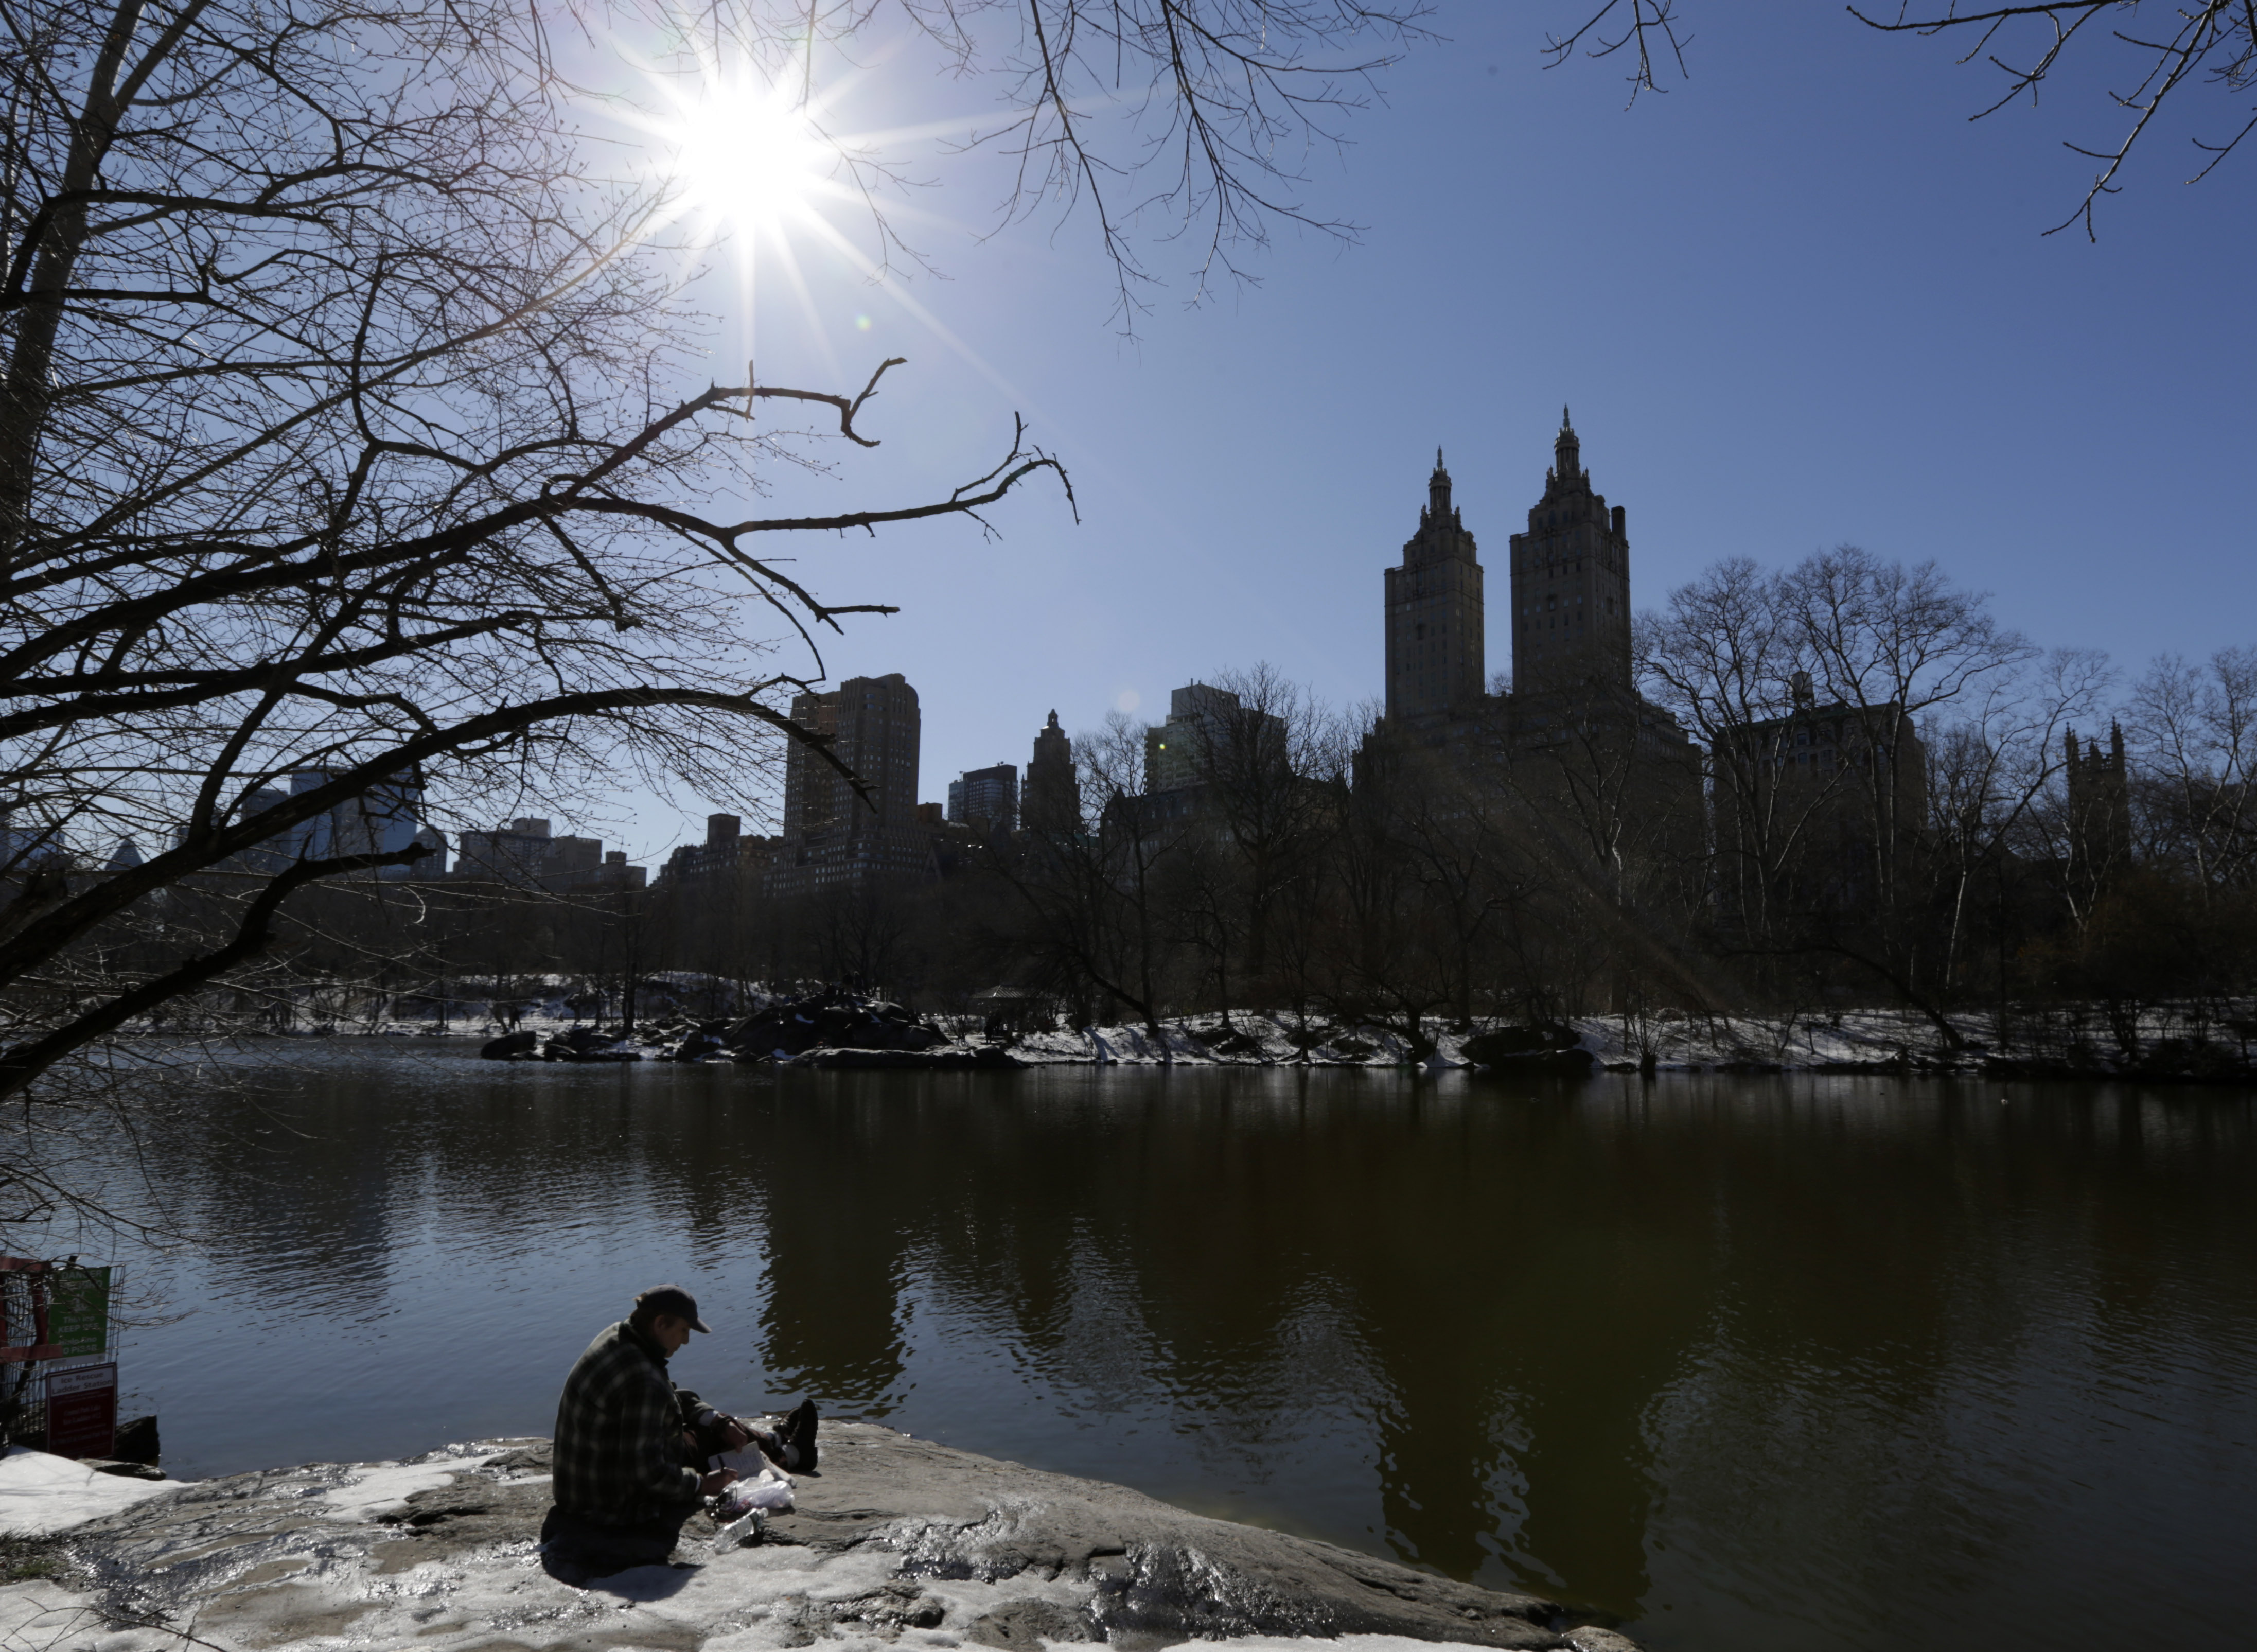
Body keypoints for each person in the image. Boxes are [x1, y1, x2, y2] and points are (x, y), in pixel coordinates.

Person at [539, 1284, 819, 1578]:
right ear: (661, 1323)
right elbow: (648, 1476)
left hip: (582, 1486)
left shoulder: (621, 1337)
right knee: (710, 1446)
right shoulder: (643, 1380)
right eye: (684, 1331)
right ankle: (789, 1453)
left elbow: (669, 1397)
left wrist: (718, 1420)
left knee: (713, 1429)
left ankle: (778, 1442)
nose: (686, 1341)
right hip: (608, 1504)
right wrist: (701, 1485)